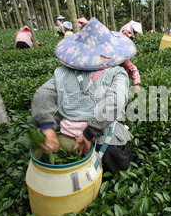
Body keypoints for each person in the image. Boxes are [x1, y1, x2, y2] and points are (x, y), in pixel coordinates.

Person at [31, 17, 137, 174]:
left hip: (69, 143)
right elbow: (116, 102)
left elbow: (42, 95)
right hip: (106, 145)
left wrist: (48, 129)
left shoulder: (61, 73)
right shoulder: (117, 72)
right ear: (109, 50)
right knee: (116, 180)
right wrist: (89, 134)